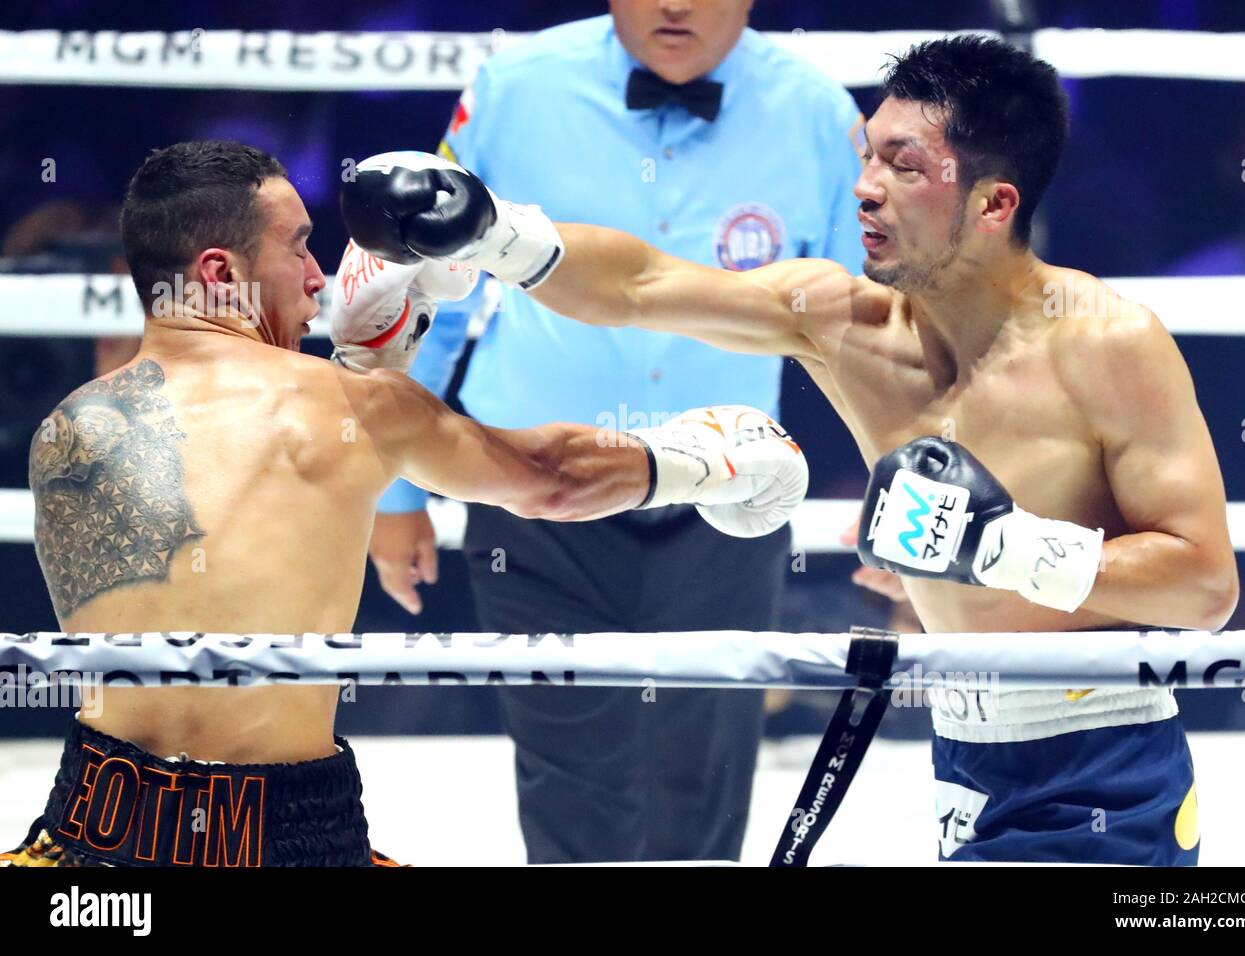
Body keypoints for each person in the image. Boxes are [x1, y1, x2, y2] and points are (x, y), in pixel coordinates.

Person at [351, 34, 1240, 864]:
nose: (865, 185)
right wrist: (494, 231)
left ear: (994, 203)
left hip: (1106, 762)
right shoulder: (843, 323)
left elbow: (1205, 586)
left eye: (903, 164)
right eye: (868, 154)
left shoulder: (1104, 343)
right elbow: (641, 284)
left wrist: (1005, 549)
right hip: (965, 752)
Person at [2, 140, 806, 867]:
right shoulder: (346, 407)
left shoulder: (63, 431)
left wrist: (370, 363)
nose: (317, 277)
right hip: (281, 825)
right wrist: (704, 461)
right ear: (218, 272)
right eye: (297, 247)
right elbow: (550, 478)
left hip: (90, 825)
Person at [360, 0, 864, 864]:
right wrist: (395, 489)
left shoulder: (819, 111)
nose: (676, 4)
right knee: (565, 767)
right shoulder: (513, 85)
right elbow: (420, 291)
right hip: (524, 477)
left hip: (725, 486)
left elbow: (867, 334)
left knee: (703, 771)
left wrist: (893, 481)